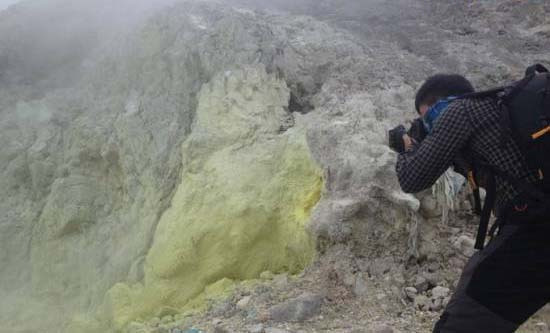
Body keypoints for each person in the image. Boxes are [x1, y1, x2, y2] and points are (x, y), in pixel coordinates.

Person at [390, 74, 550, 332]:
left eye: (428, 118)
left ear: (442, 103)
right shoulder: (496, 110)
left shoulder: (459, 111)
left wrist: (407, 146)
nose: (430, 127)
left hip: (537, 227)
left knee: (465, 320)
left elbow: (412, 177)